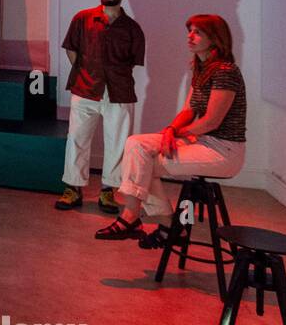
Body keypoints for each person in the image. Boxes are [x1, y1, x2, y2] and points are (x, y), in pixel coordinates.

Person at [96, 14, 246, 241]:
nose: (190, 36)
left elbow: (211, 122)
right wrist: (169, 131)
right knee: (136, 144)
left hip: (223, 151)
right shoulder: (202, 67)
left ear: (215, 38)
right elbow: (188, 111)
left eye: (198, 32)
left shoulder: (225, 71)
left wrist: (176, 135)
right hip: (202, 141)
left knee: (145, 165)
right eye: (190, 30)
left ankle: (150, 221)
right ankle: (152, 221)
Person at [56, 0, 145, 213]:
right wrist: (87, 73)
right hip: (85, 88)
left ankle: (108, 191)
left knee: (117, 144)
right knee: (76, 139)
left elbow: (133, 62)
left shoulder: (132, 29)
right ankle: (73, 188)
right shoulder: (83, 19)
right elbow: (72, 49)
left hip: (119, 92)